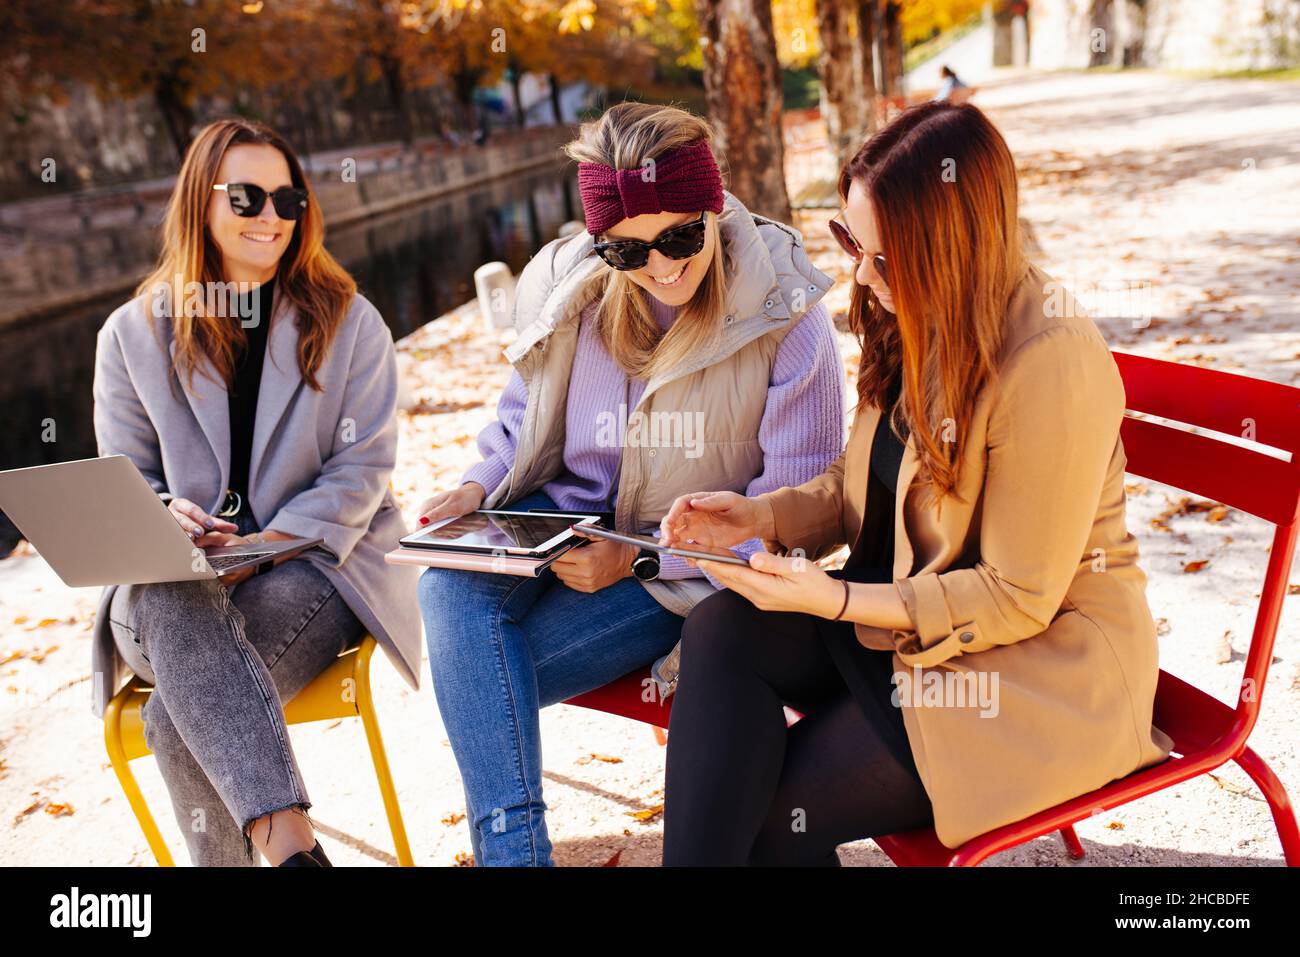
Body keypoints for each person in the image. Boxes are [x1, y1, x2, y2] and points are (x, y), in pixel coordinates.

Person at [658, 101, 1174, 865]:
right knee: (721, 629)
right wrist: (755, 513)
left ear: (953, 244)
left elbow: (1016, 596)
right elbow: (857, 481)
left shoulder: (1050, 359)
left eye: (883, 257)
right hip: (913, 623)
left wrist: (829, 596)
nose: (861, 275)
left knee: (771, 813)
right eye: (850, 243)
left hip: (1031, 674)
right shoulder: (918, 309)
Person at [414, 101, 846, 866]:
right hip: (567, 519)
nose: (662, 265)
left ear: (714, 205)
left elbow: (798, 520)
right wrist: (477, 486)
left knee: (482, 677)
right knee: (446, 590)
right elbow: (522, 416)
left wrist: (643, 558)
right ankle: (518, 856)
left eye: (681, 235)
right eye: (628, 251)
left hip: (682, 574)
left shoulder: (785, 316)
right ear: (599, 244)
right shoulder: (573, 292)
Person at [89, 118, 422, 866]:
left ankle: (285, 849)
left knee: (178, 721)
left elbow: (360, 472)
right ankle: (294, 848)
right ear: (198, 205)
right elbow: (126, 482)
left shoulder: (349, 321)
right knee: (172, 587)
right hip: (169, 592)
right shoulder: (130, 336)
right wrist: (161, 515)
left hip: (309, 566)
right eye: (246, 196)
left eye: (288, 197)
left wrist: (258, 550)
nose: (271, 215)